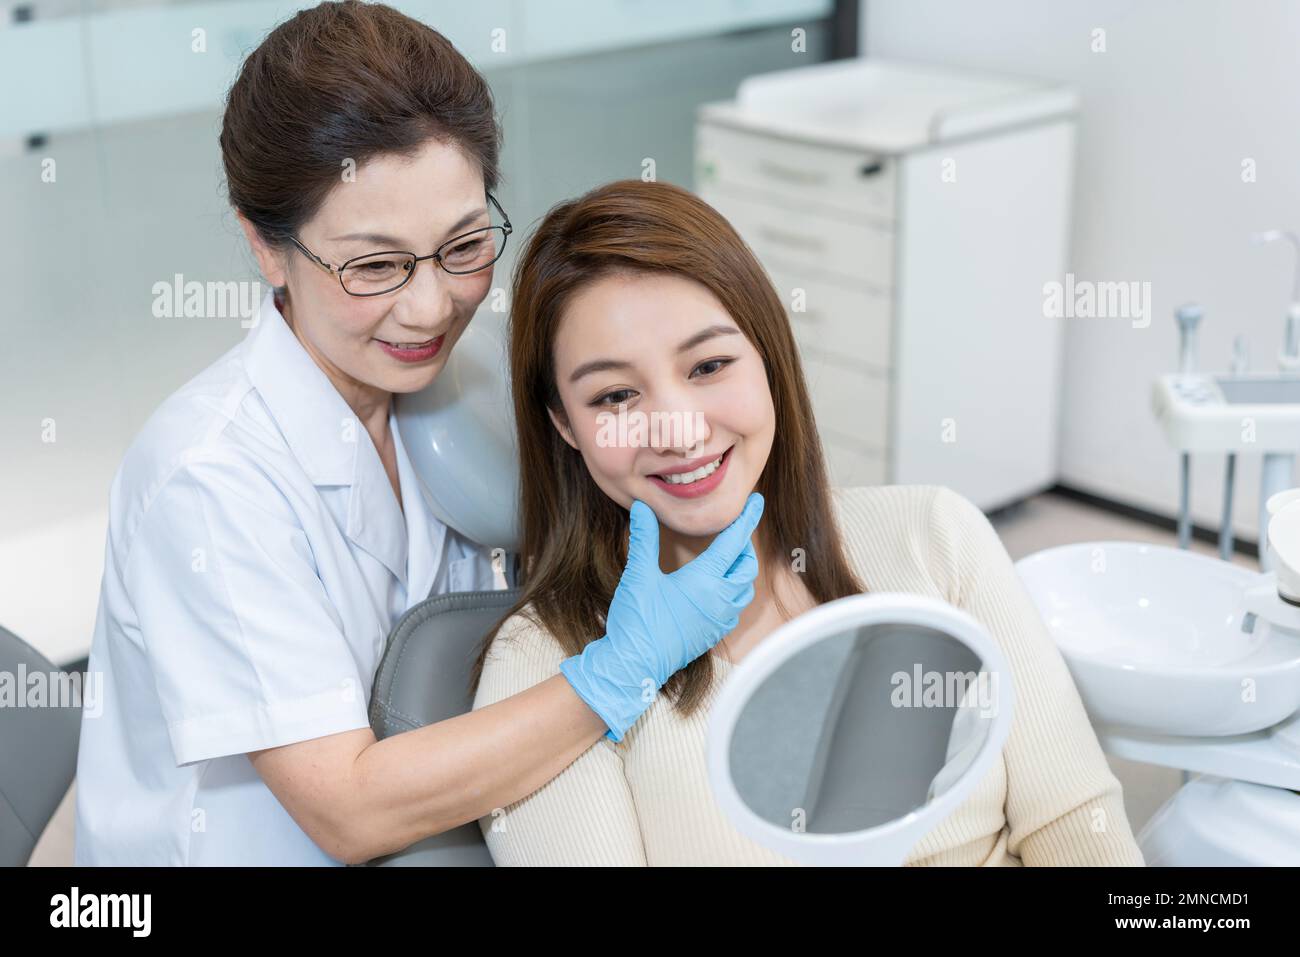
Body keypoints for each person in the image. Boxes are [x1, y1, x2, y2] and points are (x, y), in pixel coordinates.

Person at [74, 2, 761, 866]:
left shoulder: (465, 392)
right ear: (266, 247)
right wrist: (621, 670)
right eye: (374, 265)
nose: (433, 306)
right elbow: (350, 809)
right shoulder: (207, 479)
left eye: (465, 245)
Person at [470, 179, 1147, 866]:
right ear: (564, 424)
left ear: (769, 358)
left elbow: (1074, 817)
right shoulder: (541, 667)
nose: (680, 429)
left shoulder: (935, 536)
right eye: (616, 394)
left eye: (708, 365)